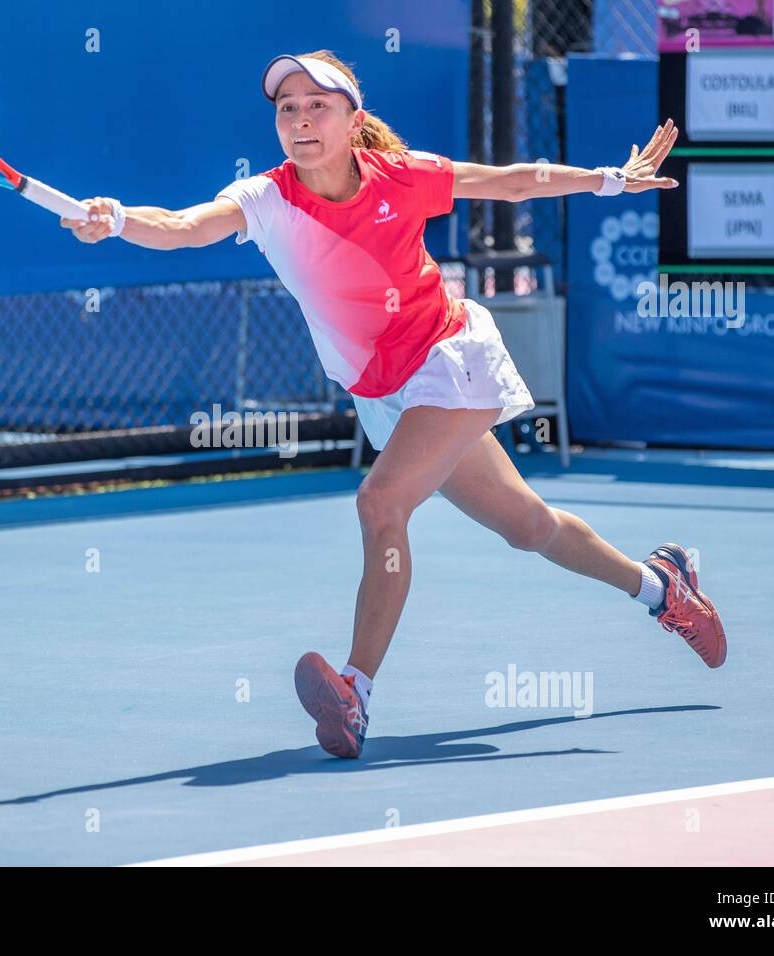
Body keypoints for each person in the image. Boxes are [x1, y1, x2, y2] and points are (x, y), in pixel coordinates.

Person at [61, 50, 725, 760]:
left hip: (449, 356)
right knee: (527, 526)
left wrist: (609, 180)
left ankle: (355, 692)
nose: (301, 120)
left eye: (318, 106)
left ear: (352, 119)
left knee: (381, 503)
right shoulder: (267, 198)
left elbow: (507, 184)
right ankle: (661, 589)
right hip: (384, 392)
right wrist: (120, 219)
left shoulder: (401, 176)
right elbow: (185, 225)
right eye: (287, 109)